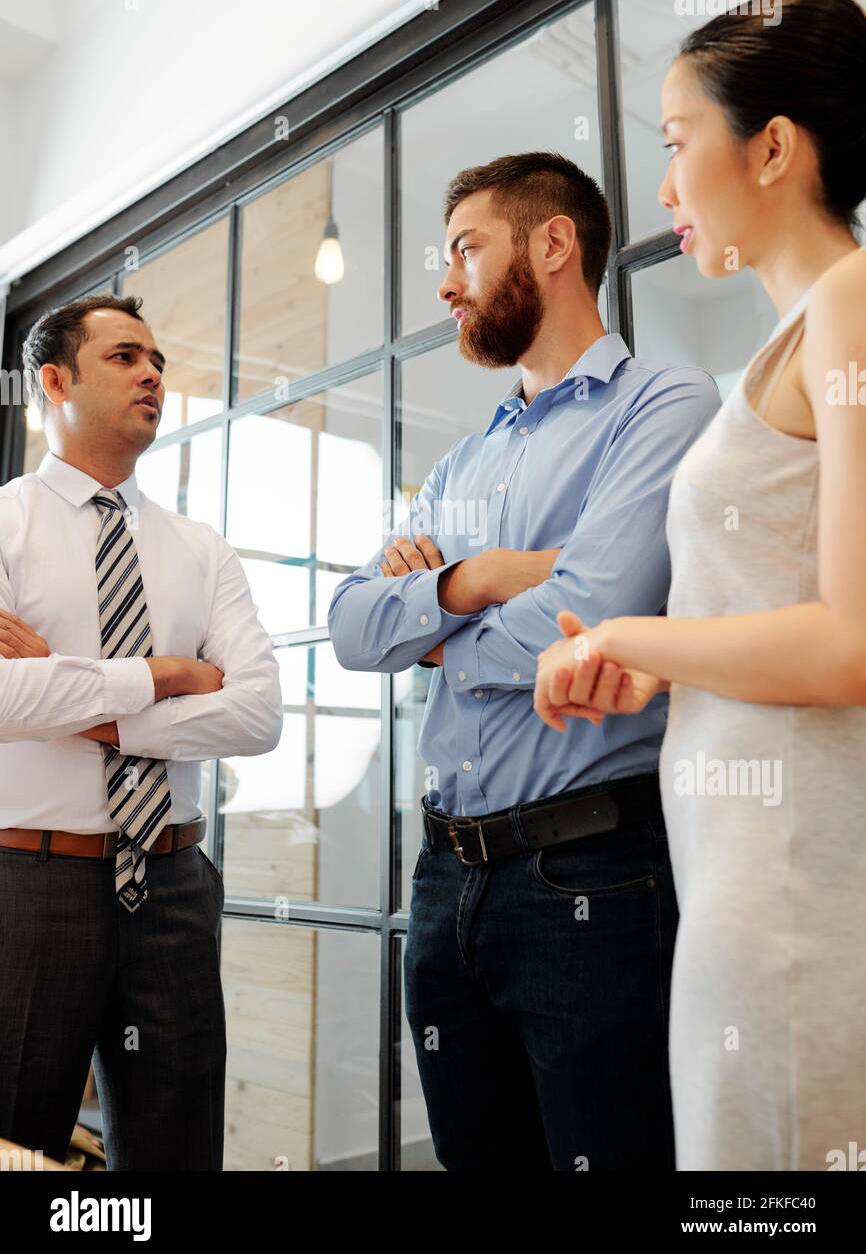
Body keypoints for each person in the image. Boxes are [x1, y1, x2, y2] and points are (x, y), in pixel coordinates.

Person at [328, 151, 720, 1170]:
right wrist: (479, 579)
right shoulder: (464, 459)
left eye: (465, 248)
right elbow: (354, 627)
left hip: (587, 877)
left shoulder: (663, 404)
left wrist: (439, 630)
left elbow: (591, 611)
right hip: (441, 881)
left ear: (552, 244)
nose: (446, 280)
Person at [533, 0, 866, 1172]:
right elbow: (778, 615)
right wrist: (661, 675)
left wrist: (632, 634)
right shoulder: (788, 343)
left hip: (795, 883)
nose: (663, 187)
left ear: (771, 146)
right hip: (743, 860)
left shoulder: (849, 305)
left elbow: (849, 646)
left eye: (676, 143)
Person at [0, 294, 283, 1170]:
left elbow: (258, 713)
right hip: (29, 886)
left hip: (175, 885)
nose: (153, 374)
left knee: (177, 1152)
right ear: (54, 381)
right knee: (16, 1142)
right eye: (124, 357)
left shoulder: (201, 548)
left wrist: (69, 701)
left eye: (158, 359)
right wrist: (165, 675)